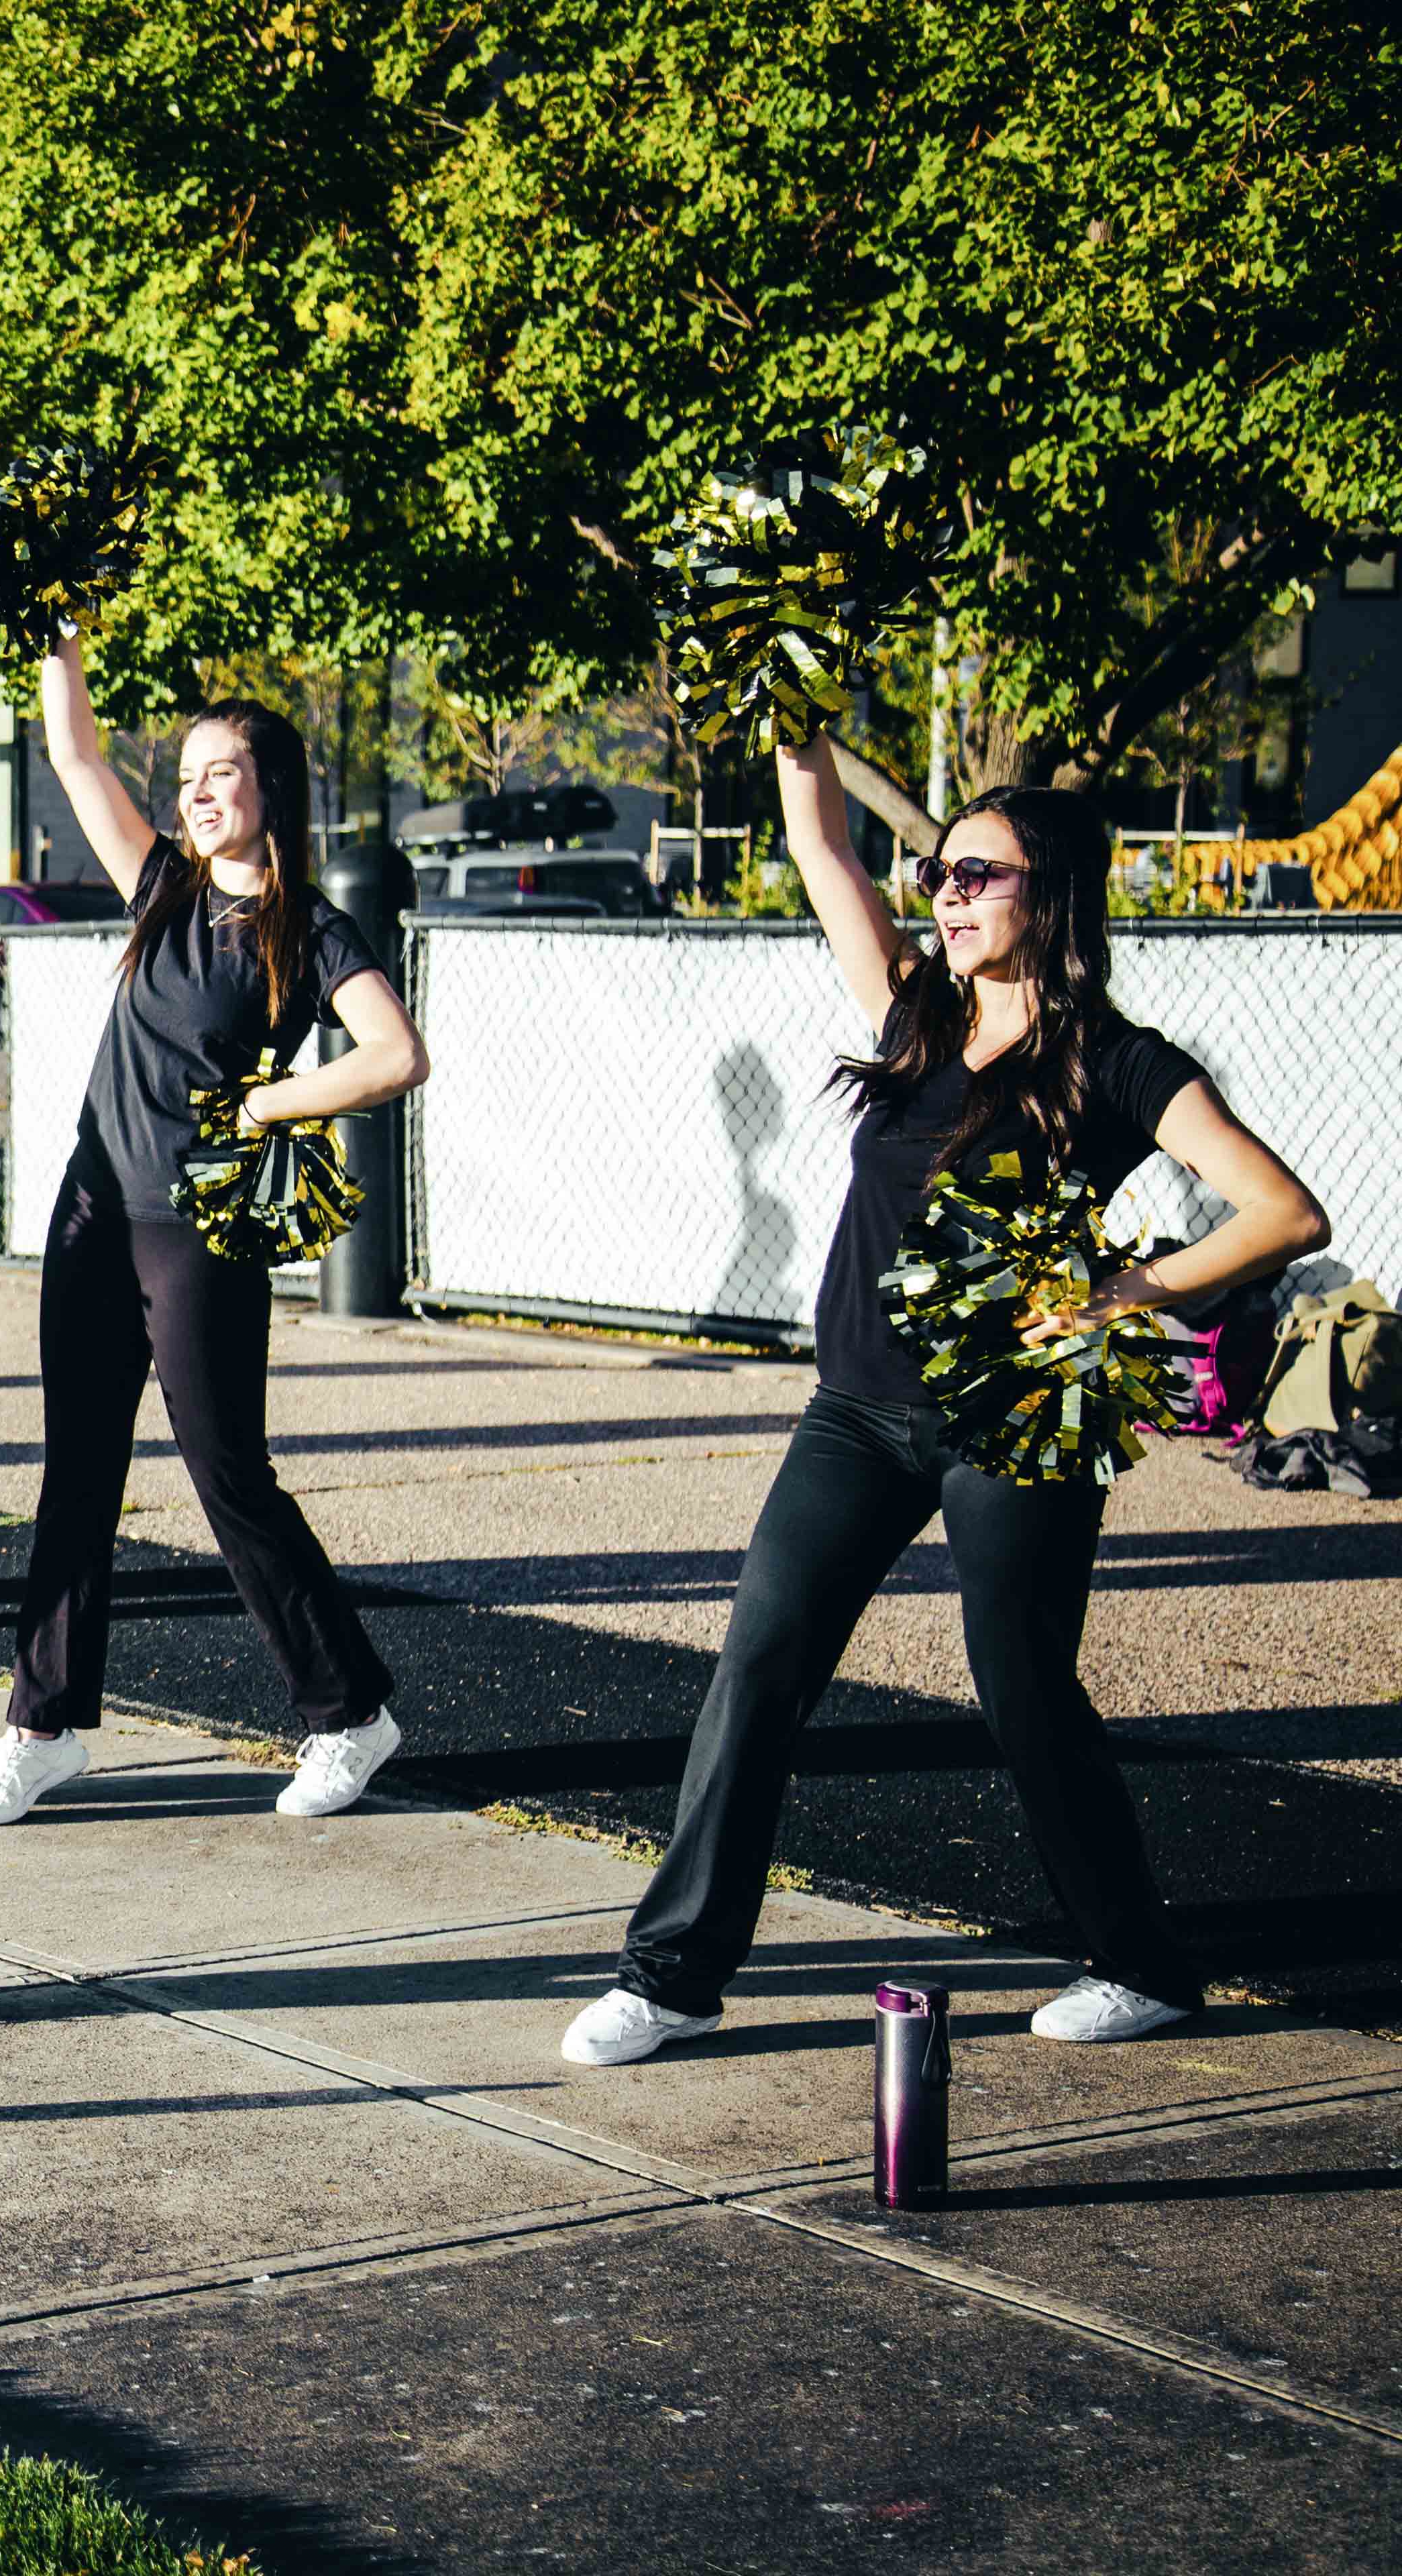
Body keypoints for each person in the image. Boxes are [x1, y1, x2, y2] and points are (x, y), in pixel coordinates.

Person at [561, 748, 1327, 2066]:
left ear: (1055, 893)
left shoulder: (1120, 1063)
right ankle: (672, 1971)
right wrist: (796, 708)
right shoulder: (916, 1009)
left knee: (1024, 1687)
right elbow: (820, 846)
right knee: (760, 1666)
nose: (945, 891)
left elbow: (1285, 1214)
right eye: (939, 870)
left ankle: (1142, 1964)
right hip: (857, 1410)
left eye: (978, 872)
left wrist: (1116, 1293)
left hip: (1016, 1415)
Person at [0, 661, 430, 1831]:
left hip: (196, 1229)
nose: (201, 793)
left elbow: (395, 1055)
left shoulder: (308, 928)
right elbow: (72, 755)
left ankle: (351, 1714)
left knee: (229, 1478)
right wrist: (61, 628)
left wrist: (269, 1105)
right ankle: (43, 1727)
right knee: (76, 1474)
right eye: (188, 776)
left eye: (225, 773)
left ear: (274, 787)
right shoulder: (162, 886)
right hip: (91, 1211)